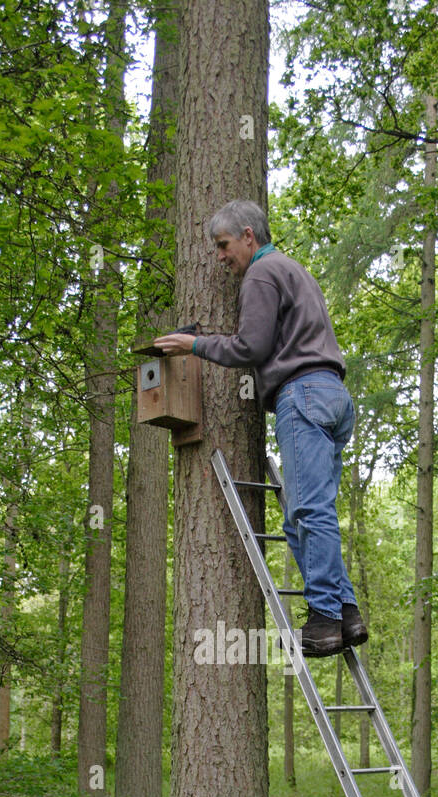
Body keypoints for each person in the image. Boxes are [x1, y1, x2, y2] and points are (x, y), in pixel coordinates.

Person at [154, 199, 367, 658]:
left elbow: (251, 345)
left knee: (308, 512)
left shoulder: (261, 274)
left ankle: (326, 617)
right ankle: (346, 611)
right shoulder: (295, 270)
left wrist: (195, 343)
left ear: (249, 236)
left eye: (224, 245)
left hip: (303, 395)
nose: (220, 257)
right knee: (304, 515)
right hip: (332, 396)